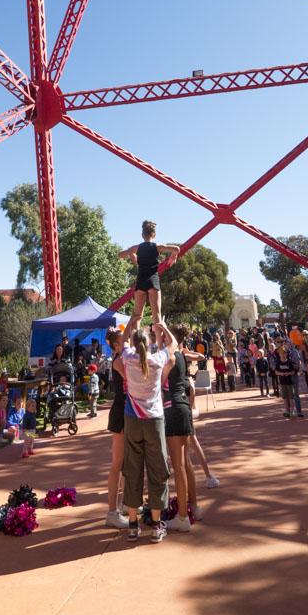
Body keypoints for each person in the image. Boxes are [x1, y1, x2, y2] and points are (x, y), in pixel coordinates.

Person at [116, 312, 176, 542]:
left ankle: (133, 524)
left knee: (132, 468)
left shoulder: (129, 357)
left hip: (132, 420)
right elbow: (173, 345)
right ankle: (157, 524)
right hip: (154, 420)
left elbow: (123, 342)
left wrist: (132, 322)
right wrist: (163, 327)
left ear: (133, 343)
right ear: (150, 343)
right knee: (157, 469)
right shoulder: (158, 359)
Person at [162, 325, 201, 534]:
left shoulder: (169, 358)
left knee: (178, 465)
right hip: (183, 407)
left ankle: (183, 517)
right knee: (186, 463)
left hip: (173, 410)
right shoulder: (181, 355)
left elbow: (157, 384)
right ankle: (194, 506)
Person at [118, 220, 179, 321]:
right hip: (153, 280)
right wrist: (173, 257)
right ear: (154, 234)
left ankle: (133, 336)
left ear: (142, 235)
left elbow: (120, 255)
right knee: (157, 316)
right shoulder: (158, 247)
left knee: (137, 316)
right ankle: (159, 337)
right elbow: (176, 249)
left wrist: (132, 255)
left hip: (141, 281)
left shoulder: (136, 248)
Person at [103, 325, 129, 529]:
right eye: (123, 338)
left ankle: (126, 504)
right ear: (115, 344)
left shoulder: (124, 357)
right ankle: (112, 511)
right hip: (121, 413)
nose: (127, 340)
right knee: (117, 463)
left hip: (128, 411)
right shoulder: (119, 360)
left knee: (127, 462)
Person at [275, 343, 301, 418]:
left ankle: (292, 411)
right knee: (285, 398)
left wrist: (288, 373)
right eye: (281, 353)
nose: (283, 355)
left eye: (284, 353)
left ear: (286, 354)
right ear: (279, 354)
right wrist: (281, 373)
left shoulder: (289, 362)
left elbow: (293, 371)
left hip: (290, 382)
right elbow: (276, 372)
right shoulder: (278, 362)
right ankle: (287, 411)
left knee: (291, 398)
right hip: (282, 382)